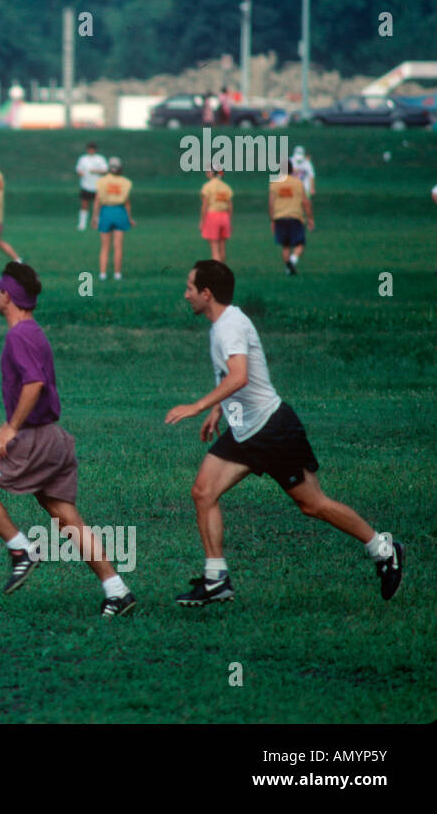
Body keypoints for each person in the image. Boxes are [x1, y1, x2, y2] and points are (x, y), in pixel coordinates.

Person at [164, 260, 404, 606]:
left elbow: (239, 376)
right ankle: (216, 581)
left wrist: (198, 406)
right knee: (203, 492)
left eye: (189, 288)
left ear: (206, 293)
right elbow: (232, 378)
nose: (185, 295)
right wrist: (218, 410)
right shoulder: (221, 324)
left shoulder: (230, 326)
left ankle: (383, 549)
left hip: (273, 429)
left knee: (313, 505)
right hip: (246, 430)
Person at [0, 263, 137, 617]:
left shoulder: (17, 335)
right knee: (67, 518)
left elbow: (34, 383)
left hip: (34, 440)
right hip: (53, 437)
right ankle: (117, 589)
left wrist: (11, 430)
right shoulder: (34, 331)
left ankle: (22, 550)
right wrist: (5, 426)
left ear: (6, 296)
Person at [92, 156, 135, 280]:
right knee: (118, 246)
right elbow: (127, 203)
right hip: (120, 211)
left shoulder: (101, 181)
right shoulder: (125, 182)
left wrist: (95, 217)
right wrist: (130, 218)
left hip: (106, 211)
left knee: (105, 246)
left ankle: (103, 273)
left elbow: (97, 201)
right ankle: (117, 273)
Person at [269, 160, 313, 275]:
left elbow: (271, 204)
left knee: (285, 246)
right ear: (292, 169)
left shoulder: (274, 184)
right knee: (300, 244)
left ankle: (288, 269)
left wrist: (272, 220)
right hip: (295, 217)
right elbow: (305, 201)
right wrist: (310, 218)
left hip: (280, 218)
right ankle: (292, 261)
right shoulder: (298, 183)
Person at [199, 163, 234, 262]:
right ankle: (223, 272)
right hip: (225, 217)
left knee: (215, 250)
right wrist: (229, 221)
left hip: (212, 216)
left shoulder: (207, 186)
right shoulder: (226, 187)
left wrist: (202, 221)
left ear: (211, 172)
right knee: (222, 247)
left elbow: (205, 205)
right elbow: (230, 207)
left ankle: (216, 274)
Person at [74, 142, 108, 231]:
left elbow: (105, 171)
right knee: (84, 205)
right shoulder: (83, 159)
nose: (91, 150)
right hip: (85, 185)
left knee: (97, 206)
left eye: (92, 149)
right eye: (89, 149)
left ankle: (97, 224)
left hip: (97, 186)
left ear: (95, 150)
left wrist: (95, 171)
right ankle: (82, 224)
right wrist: (80, 173)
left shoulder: (100, 159)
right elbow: (78, 170)